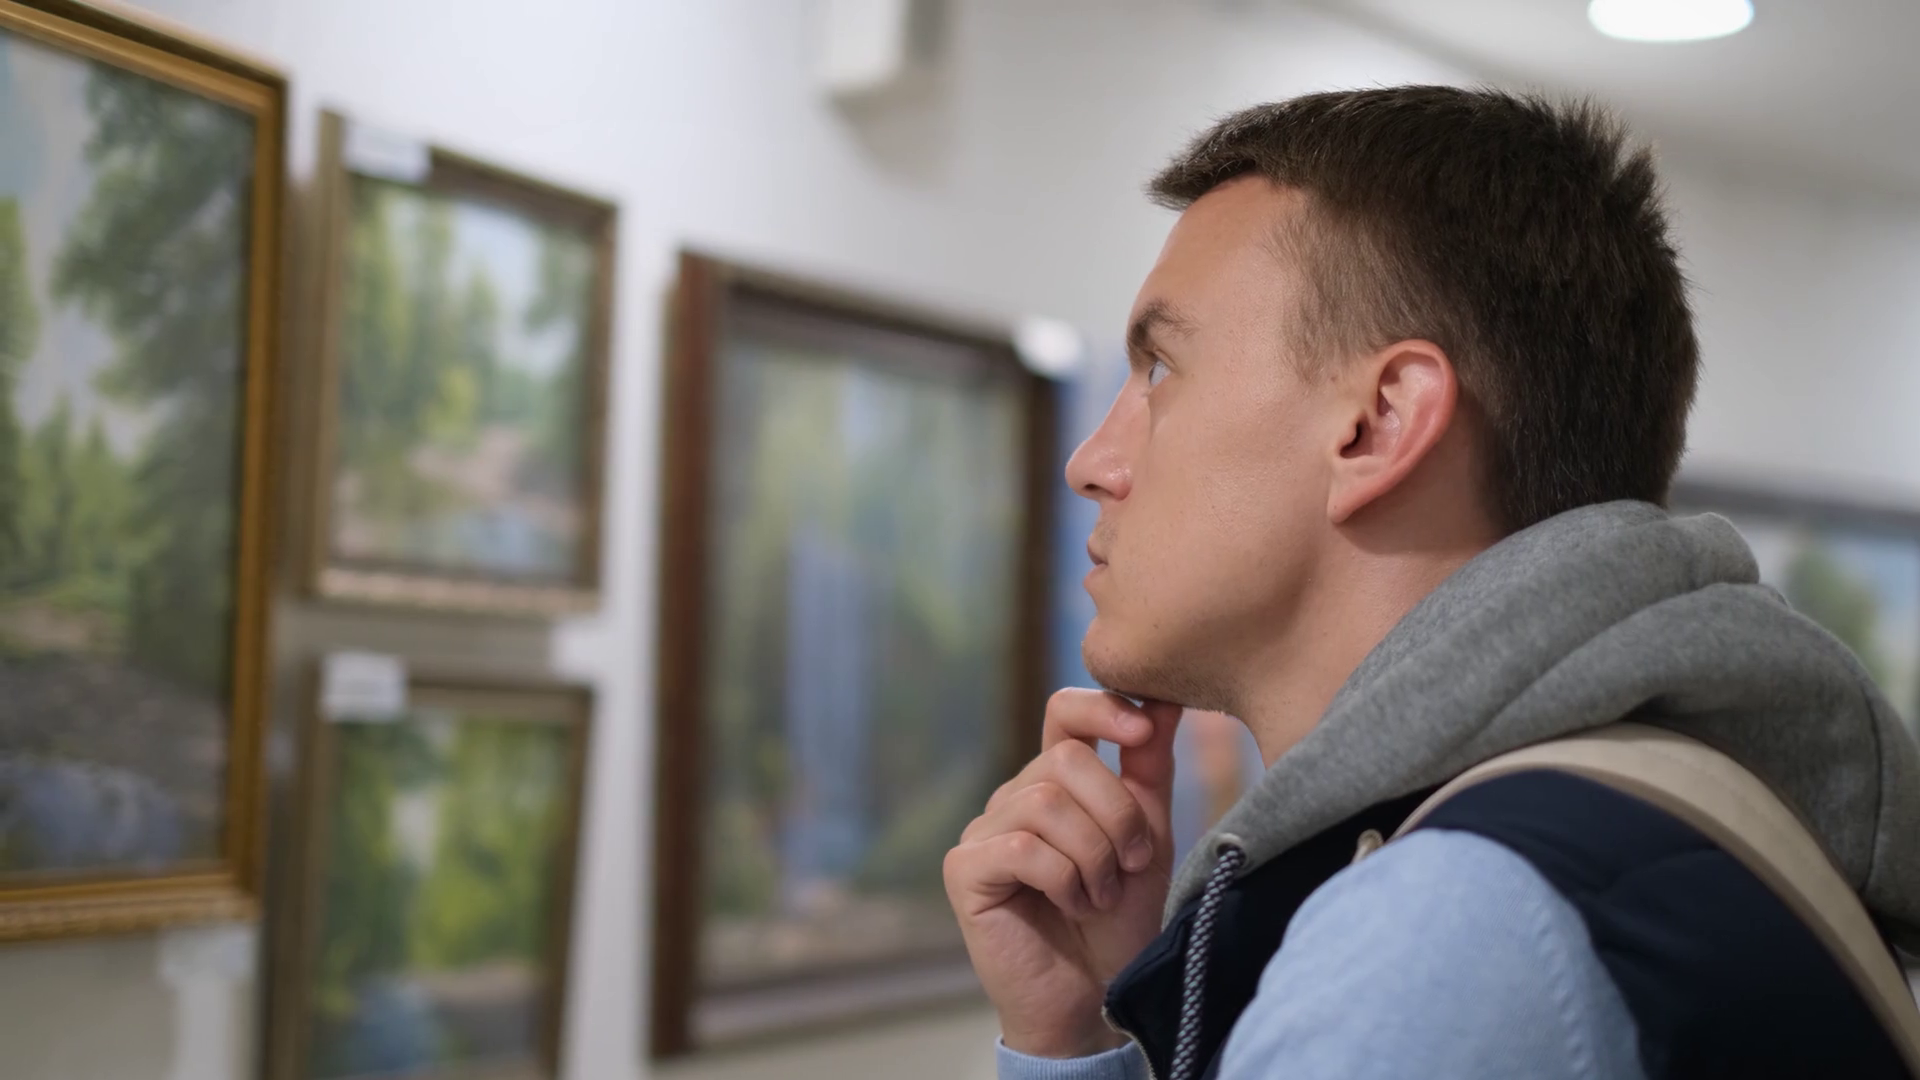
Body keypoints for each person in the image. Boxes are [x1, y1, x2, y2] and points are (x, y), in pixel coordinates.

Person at [943, 86, 1920, 1080]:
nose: (1092, 465)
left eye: (1160, 370)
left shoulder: (1448, 933)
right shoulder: (1637, 833)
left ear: (1378, 423)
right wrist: (1080, 1038)